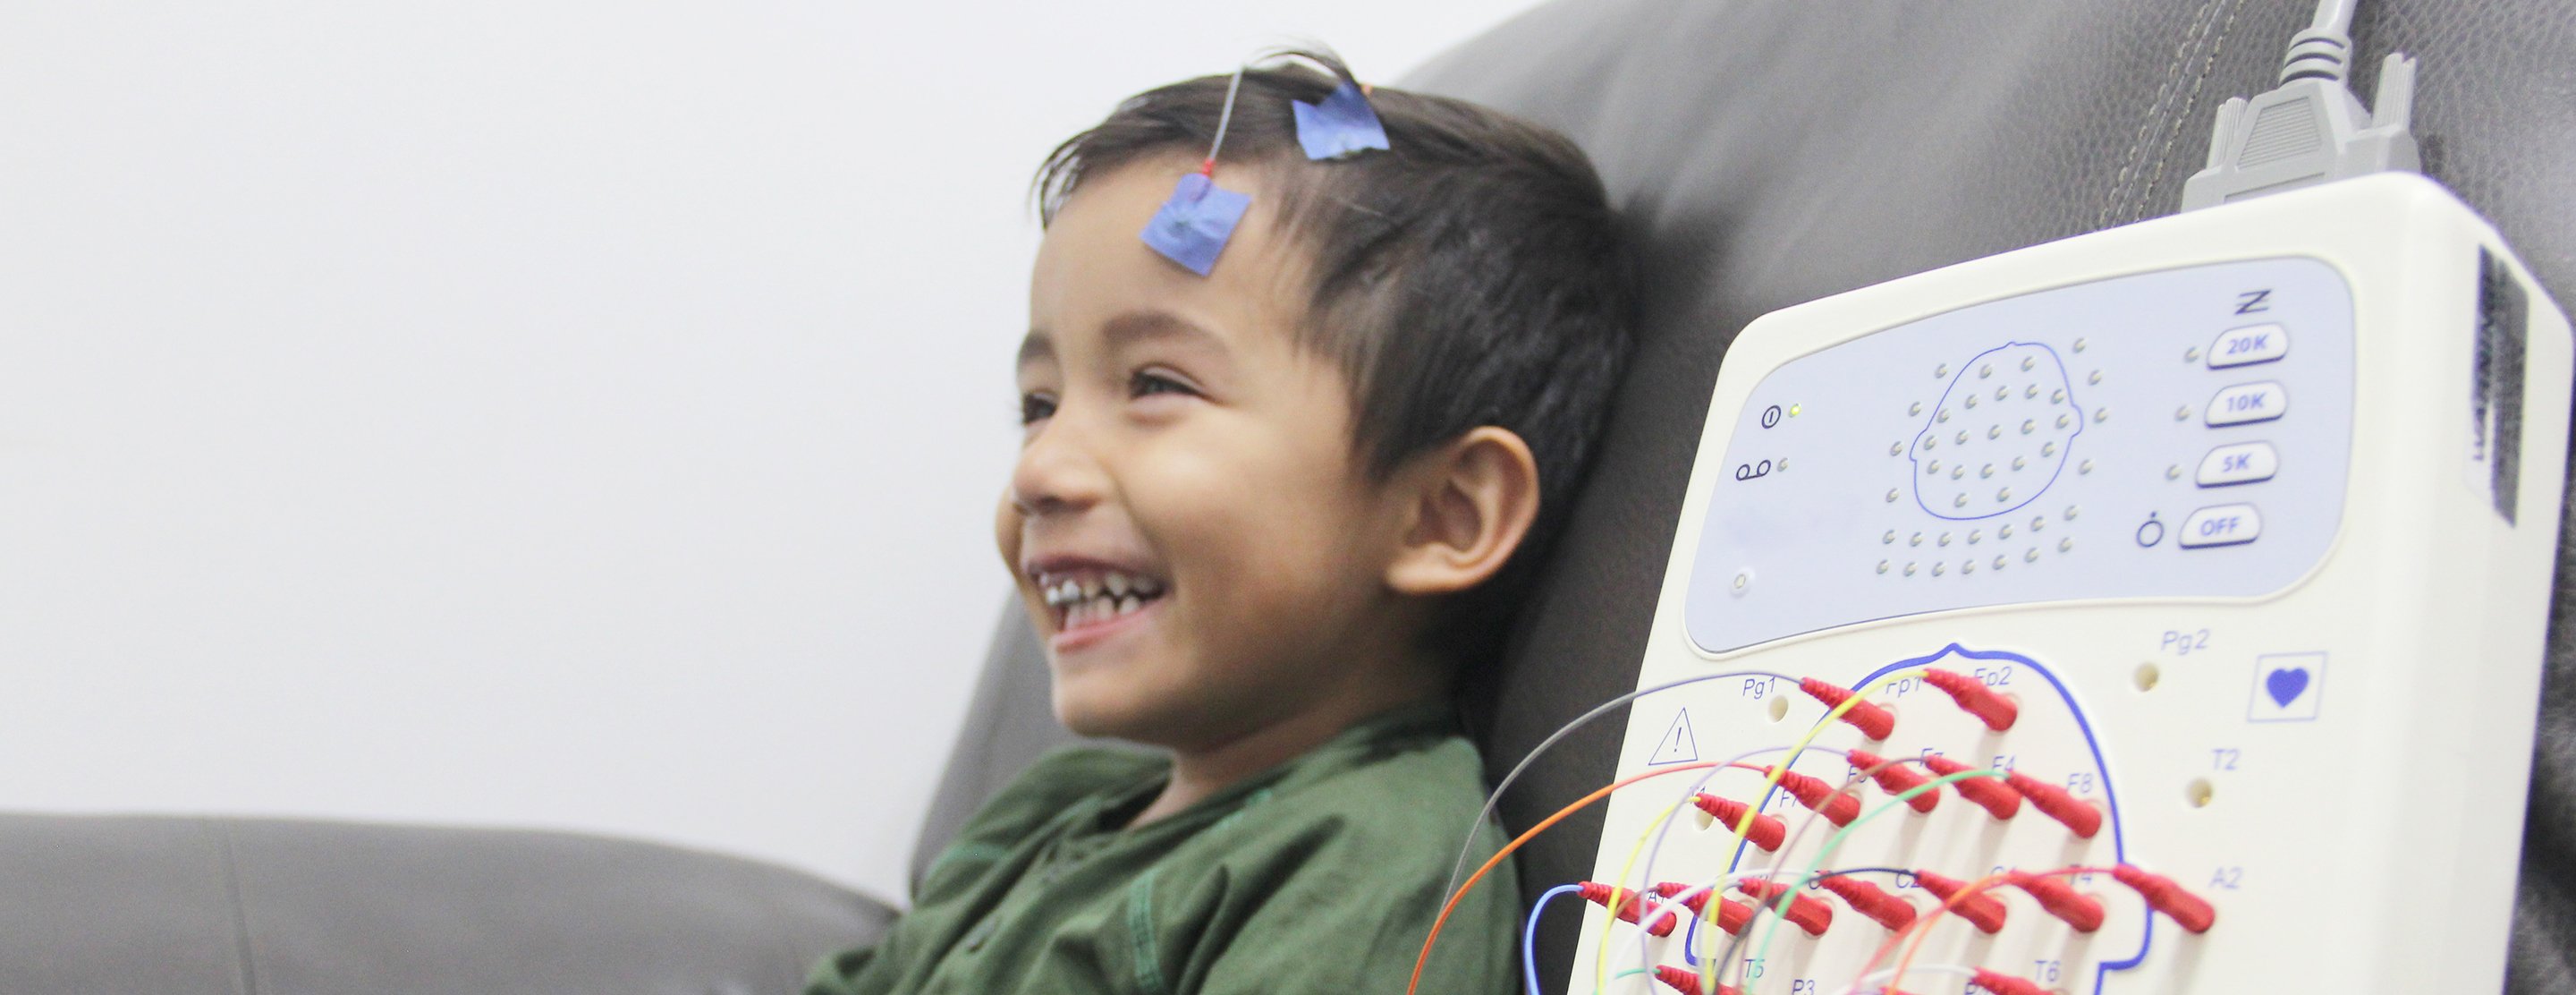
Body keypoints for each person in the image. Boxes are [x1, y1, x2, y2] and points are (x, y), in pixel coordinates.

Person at [807, 49, 1635, 995]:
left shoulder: (1366, 862)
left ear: (1442, 515)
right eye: (1039, 404)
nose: (1037, 470)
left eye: (1156, 383)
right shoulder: (1040, 815)